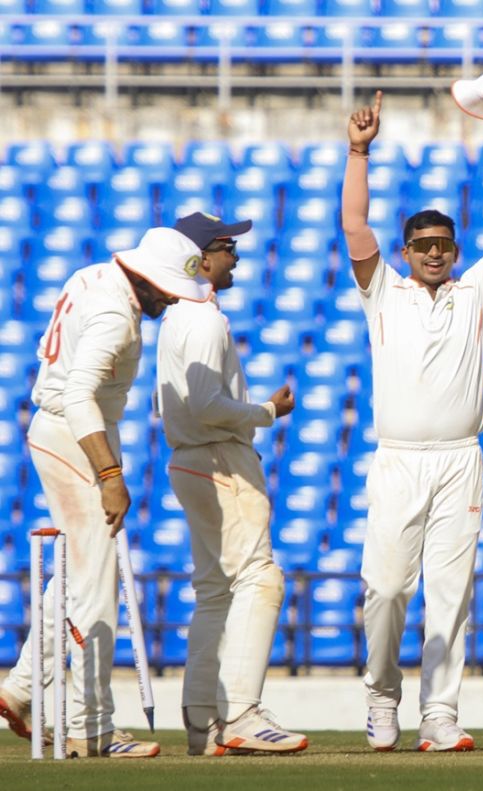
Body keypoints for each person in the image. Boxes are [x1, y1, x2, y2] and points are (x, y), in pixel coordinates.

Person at [342, 90, 483, 752]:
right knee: (388, 587)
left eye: (442, 245)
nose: (432, 253)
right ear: (407, 248)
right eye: (421, 244)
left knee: (451, 593)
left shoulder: (473, 289)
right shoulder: (382, 290)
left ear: (454, 249)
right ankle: (381, 693)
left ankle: (440, 713)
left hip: (460, 459)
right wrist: (359, 152)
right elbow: (353, 225)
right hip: (397, 459)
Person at [0, 227, 210, 758]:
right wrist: (110, 476)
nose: (168, 300)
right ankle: (87, 728)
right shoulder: (117, 314)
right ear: (143, 277)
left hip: (65, 429)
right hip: (75, 433)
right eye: (165, 290)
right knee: (95, 585)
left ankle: (22, 689)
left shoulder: (94, 275)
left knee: (76, 576)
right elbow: (78, 394)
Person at [160, 212, 307, 756]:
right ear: (199, 258)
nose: (236, 256)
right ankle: (242, 711)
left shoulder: (179, 317)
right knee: (260, 578)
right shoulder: (203, 319)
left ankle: (203, 721)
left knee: (215, 593)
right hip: (219, 458)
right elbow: (204, 403)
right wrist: (266, 410)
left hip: (190, 460)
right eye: (226, 247)